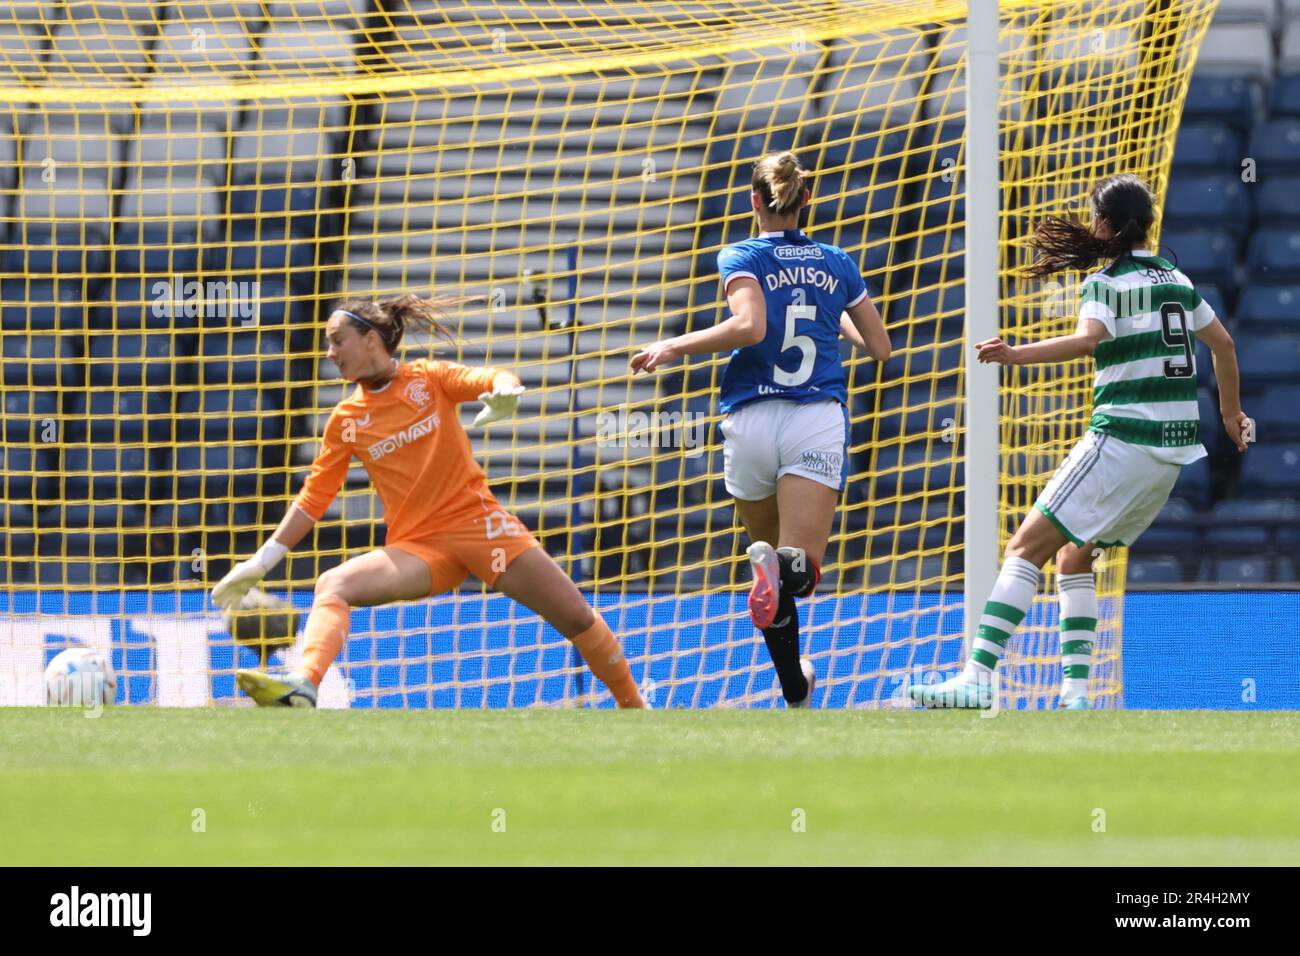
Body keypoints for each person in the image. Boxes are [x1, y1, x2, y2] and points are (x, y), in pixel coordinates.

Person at [911, 173, 1252, 710]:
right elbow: (1224, 345)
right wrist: (1231, 415)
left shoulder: (1106, 284)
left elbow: (1088, 340)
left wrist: (1015, 354)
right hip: (1172, 455)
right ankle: (1074, 695)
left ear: (1105, 225)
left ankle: (977, 677)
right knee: (1074, 556)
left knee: (1024, 547)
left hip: (1123, 437)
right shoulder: (1179, 282)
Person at [211, 294, 646, 709]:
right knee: (333, 584)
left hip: (481, 528)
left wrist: (506, 392)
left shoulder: (427, 378)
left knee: (576, 620)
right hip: (420, 548)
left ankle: (634, 706)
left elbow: (491, 377)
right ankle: (305, 684)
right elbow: (314, 497)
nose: (329, 352)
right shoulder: (346, 420)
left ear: (370, 340)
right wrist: (260, 564)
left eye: (336, 340)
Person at [631, 152, 891, 707]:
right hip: (814, 418)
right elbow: (880, 348)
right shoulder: (837, 262)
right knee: (798, 569)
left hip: (749, 419)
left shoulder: (741, 253)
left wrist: (672, 344)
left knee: (769, 562)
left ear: (755, 202)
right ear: (807, 202)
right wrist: (832, 306)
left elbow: (750, 326)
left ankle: (795, 689)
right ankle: (778, 579)